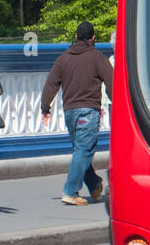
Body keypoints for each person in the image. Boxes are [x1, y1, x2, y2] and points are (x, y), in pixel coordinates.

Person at [41, 21, 112, 206]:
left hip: (70, 112)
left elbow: (51, 83)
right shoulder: (97, 57)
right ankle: (70, 191)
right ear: (93, 38)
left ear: (75, 37)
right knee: (83, 150)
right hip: (88, 111)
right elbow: (112, 81)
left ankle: (95, 185)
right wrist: (117, 103)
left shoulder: (63, 58)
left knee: (81, 149)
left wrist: (45, 108)